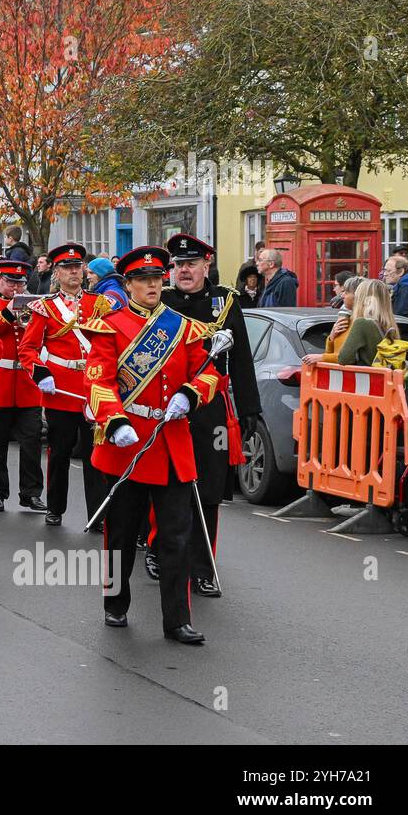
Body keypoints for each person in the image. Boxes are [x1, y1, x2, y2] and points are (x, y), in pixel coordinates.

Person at [83, 246, 225, 645]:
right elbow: (97, 380)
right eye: (143, 280)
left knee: (176, 537)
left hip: (170, 444)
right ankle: (115, 603)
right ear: (127, 284)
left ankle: (176, 620)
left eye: (157, 278)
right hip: (128, 443)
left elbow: (210, 373)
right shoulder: (109, 326)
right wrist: (113, 421)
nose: (152, 285)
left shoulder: (181, 326)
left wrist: (190, 394)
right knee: (122, 536)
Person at [162, 234, 260, 597]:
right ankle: (160, 551)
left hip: (210, 407)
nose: (183, 271)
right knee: (165, 483)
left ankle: (203, 568)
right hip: (166, 405)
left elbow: (243, 358)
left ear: (206, 265)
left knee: (208, 489)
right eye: (178, 265)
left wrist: (249, 408)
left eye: (191, 264)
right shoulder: (163, 301)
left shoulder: (225, 301)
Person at [18, 243, 113, 527]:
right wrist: (41, 374)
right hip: (60, 390)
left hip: (92, 388)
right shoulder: (45, 307)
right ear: (56, 273)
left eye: (77, 267)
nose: (73, 272)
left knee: (95, 455)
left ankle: (97, 514)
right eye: (67, 268)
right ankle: (55, 507)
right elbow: (28, 349)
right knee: (59, 452)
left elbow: (109, 345)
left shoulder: (100, 304)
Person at [0, 258, 46, 513]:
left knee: (31, 442)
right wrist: (8, 313)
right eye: (11, 282)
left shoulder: (34, 306)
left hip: (27, 384)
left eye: (20, 283)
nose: (16, 288)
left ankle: (31, 493)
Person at [336, 279, 408, 368]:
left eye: (358, 297)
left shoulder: (362, 323)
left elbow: (344, 359)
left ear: (363, 300)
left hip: (366, 379)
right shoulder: (390, 324)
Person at [306, 275, 364, 362]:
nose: (342, 295)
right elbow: (330, 352)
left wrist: (321, 358)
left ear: (358, 295)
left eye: (346, 292)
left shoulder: (362, 323)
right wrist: (332, 336)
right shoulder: (347, 319)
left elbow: (350, 358)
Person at [384, 255, 408, 322]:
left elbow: (402, 317)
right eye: (385, 270)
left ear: (401, 271)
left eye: (388, 271)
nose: (385, 274)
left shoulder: (406, 287)